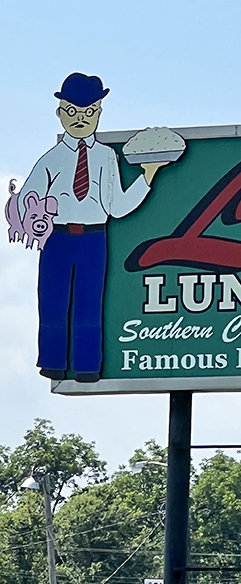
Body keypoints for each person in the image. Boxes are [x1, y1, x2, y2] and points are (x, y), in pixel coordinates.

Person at [20, 72, 165, 382]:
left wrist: (148, 174)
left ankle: (88, 366)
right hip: (56, 237)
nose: (80, 119)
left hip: (94, 237)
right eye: (72, 111)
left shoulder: (106, 157)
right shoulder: (52, 159)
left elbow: (117, 206)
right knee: (53, 302)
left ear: (98, 112)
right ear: (60, 112)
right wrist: (34, 218)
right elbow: (28, 199)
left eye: (88, 112)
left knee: (89, 304)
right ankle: (52, 362)